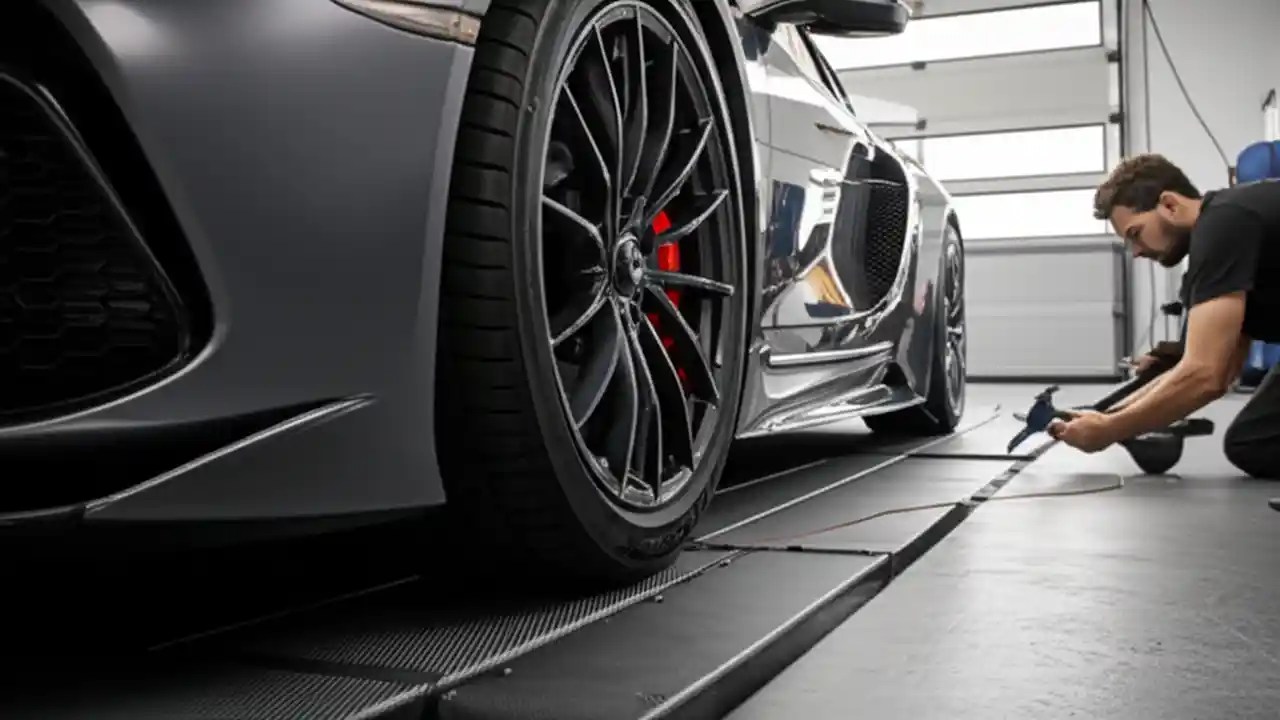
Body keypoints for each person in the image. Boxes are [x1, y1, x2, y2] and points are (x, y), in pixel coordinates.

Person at [1048, 154, 1280, 488]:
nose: (1136, 252)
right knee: (1254, 442)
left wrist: (1110, 430)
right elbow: (1223, 365)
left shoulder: (1223, 225)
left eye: (1135, 233)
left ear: (1169, 206)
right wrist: (1110, 414)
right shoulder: (1224, 229)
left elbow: (1205, 375)